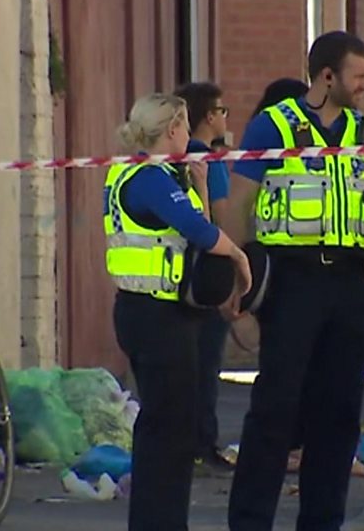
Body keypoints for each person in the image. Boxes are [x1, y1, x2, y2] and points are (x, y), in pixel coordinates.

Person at [224, 31, 364, 531]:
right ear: (326, 77)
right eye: (358, 76)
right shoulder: (271, 129)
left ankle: (322, 522)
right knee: (275, 411)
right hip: (292, 282)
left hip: (349, 286)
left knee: (339, 415)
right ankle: (250, 521)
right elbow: (238, 210)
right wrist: (243, 287)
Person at [106, 93, 251, 531]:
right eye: (186, 128)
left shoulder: (147, 173)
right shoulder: (150, 177)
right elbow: (200, 232)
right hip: (156, 317)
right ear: (171, 130)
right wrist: (239, 258)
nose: (190, 137)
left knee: (172, 426)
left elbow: (194, 227)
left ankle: (164, 521)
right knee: (166, 432)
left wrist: (202, 184)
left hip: (152, 311)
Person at [173, 81, 237, 475]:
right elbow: (221, 214)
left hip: (174, 274)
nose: (226, 117)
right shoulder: (208, 162)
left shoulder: (169, 158)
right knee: (207, 363)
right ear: (210, 116)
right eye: (223, 110)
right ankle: (204, 446)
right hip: (207, 271)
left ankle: (184, 445)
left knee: (180, 366)